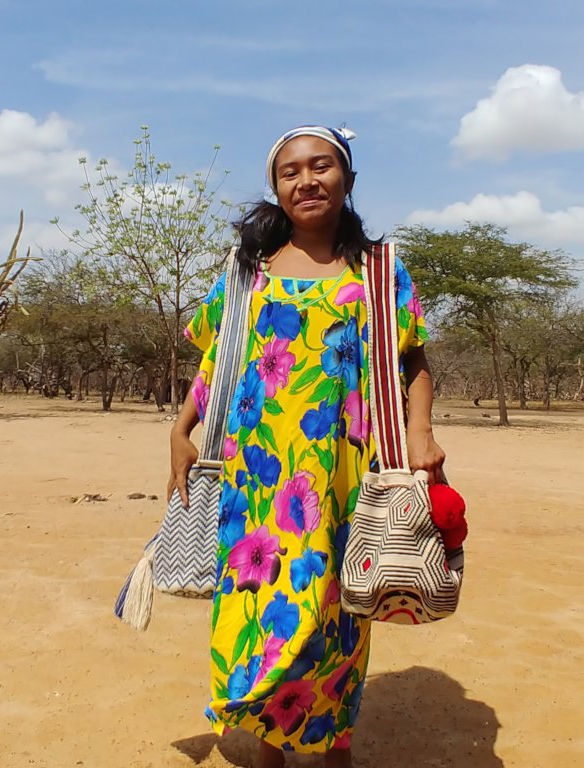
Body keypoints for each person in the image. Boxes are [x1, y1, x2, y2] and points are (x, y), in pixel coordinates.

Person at [167, 125, 446, 768]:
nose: (306, 181)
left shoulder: (380, 270)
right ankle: (269, 745)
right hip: (256, 471)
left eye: (321, 167)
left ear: (346, 178)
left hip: (345, 471)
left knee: (335, 615)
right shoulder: (246, 271)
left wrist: (421, 433)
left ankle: (332, 745)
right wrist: (181, 429)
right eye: (290, 173)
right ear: (276, 188)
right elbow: (218, 360)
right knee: (261, 608)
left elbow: (415, 362)